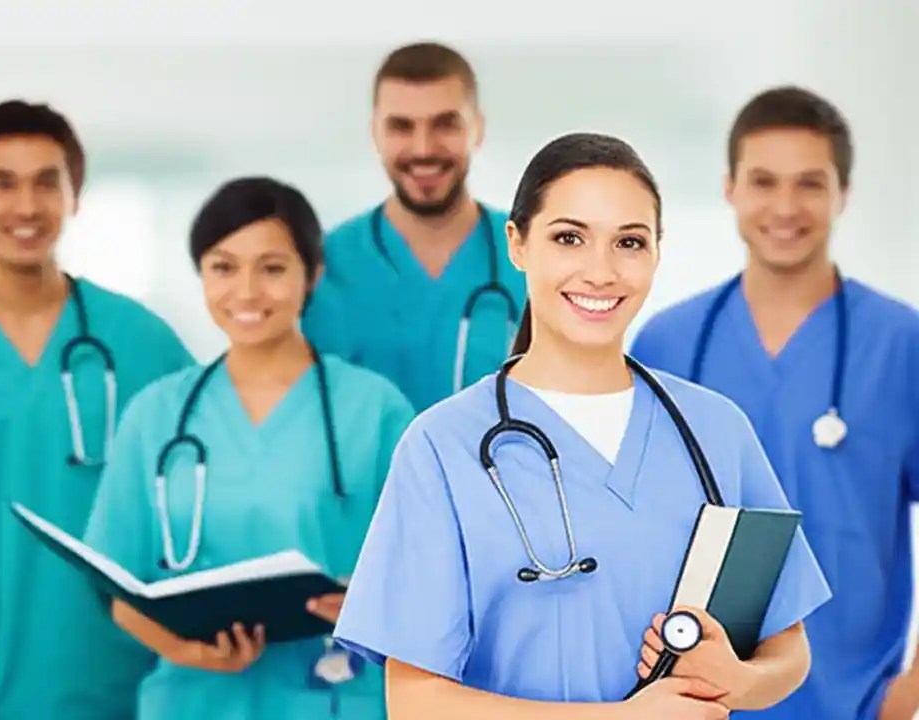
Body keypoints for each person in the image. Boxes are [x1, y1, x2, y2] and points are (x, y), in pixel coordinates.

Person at [332, 133, 833, 718]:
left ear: (656, 253)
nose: (601, 271)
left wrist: (740, 682)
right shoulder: (443, 446)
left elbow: (789, 649)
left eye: (629, 242)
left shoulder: (715, 429)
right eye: (569, 238)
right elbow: (414, 701)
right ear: (517, 244)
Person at [0, 100, 195, 719]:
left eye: (47, 182)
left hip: (119, 677)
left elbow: (199, 502)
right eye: (3, 183)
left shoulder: (141, 341)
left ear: (75, 196)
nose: (26, 207)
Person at [630, 86, 919, 720]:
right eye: (764, 181)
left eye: (810, 184)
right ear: (730, 188)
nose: (785, 207)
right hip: (694, 703)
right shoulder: (667, 343)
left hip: (855, 703)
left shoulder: (903, 344)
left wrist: (910, 695)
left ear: (843, 192)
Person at [82, 176, 415, 719]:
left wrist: (371, 604)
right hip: (192, 700)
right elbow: (119, 582)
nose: (247, 291)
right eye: (223, 266)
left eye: (273, 267)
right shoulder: (156, 415)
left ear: (313, 274)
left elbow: (431, 572)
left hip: (329, 697)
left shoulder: (375, 410)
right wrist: (178, 648)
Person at [302, 41, 527, 413]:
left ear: (478, 129)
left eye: (445, 124)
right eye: (401, 127)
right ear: (375, 133)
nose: (423, 148)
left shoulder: (537, 256)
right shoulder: (321, 268)